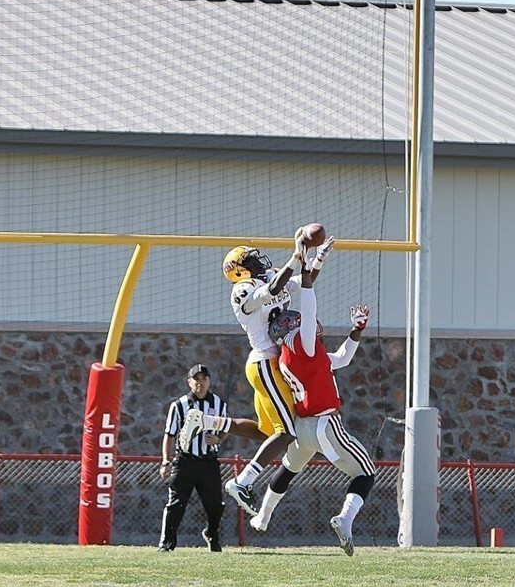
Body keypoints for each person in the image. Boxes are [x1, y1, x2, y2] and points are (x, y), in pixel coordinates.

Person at [247, 254, 375, 556]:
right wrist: (306, 279)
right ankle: (344, 520)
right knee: (365, 472)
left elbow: (340, 359)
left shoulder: (290, 356)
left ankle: (262, 517)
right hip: (325, 423)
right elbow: (309, 307)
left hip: (302, 426)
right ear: (294, 326)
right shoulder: (302, 343)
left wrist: (355, 332)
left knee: (290, 469)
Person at [215, 227, 335, 515]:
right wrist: (296, 256)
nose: (258, 263)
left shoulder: (269, 276)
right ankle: (242, 482)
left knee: (265, 431)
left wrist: (316, 260)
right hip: (264, 363)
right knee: (286, 432)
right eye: (250, 260)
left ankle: (211, 422)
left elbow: (301, 284)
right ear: (238, 271)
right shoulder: (241, 291)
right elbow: (272, 291)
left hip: (275, 362)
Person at [157, 364, 236, 552]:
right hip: (185, 462)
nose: (200, 382)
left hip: (208, 462)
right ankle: (167, 543)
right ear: (189, 382)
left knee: (215, 505)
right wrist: (166, 461)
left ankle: (212, 535)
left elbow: (226, 427)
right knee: (176, 503)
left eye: (204, 378)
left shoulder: (219, 404)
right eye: (196, 379)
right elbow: (170, 434)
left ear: (209, 381)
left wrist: (218, 438)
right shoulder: (179, 406)